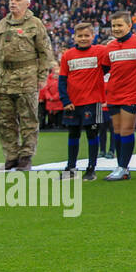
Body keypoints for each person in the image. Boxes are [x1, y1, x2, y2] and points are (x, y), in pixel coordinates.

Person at [0, 0, 55, 172]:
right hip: (5, 78)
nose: (13, 3)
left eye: (18, 1)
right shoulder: (2, 24)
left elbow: (45, 52)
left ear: (28, 4)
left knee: (28, 119)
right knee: (4, 120)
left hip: (27, 77)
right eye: (11, 0)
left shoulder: (35, 23)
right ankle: (11, 157)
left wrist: (42, 76)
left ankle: (26, 157)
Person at [98, 10, 136, 181]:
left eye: (120, 25)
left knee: (126, 129)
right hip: (113, 93)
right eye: (113, 25)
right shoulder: (110, 46)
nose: (116, 28)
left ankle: (123, 167)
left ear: (130, 25)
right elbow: (104, 70)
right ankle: (122, 167)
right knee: (117, 130)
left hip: (133, 93)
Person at [57, 21, 107, 180]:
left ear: (93, 36)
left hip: (92, 102)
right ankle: (70, 168)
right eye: (80, 36)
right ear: (74, 37)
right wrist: (65, 101)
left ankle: (91, 169)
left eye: (87, 35)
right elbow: (62, 80)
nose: (83, 38)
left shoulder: (100, 51)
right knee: (73, 135)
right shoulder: (67, 55)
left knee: (92, 134)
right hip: (72, 103)